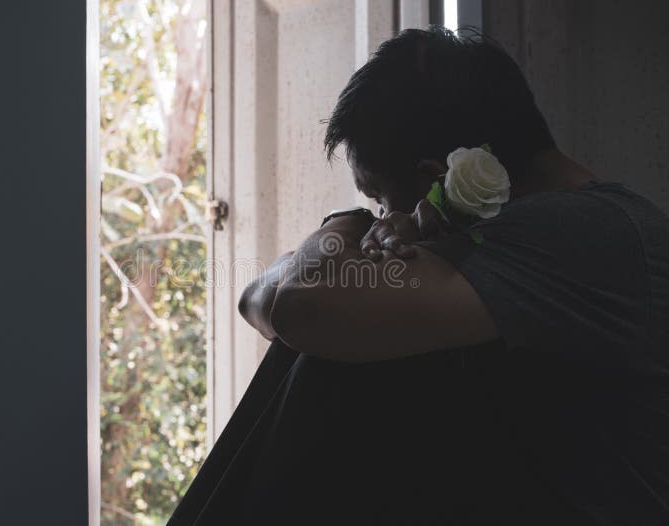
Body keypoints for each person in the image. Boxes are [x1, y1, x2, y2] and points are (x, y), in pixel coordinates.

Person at [169, 27, 669, 525]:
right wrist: (347, 223)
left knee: (344, 343)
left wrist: (349, 226)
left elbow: (299, 305)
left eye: (378, 199)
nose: (381, 218)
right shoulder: (531, 237)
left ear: (436, 179)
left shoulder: (580, 232)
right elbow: (261, 296)